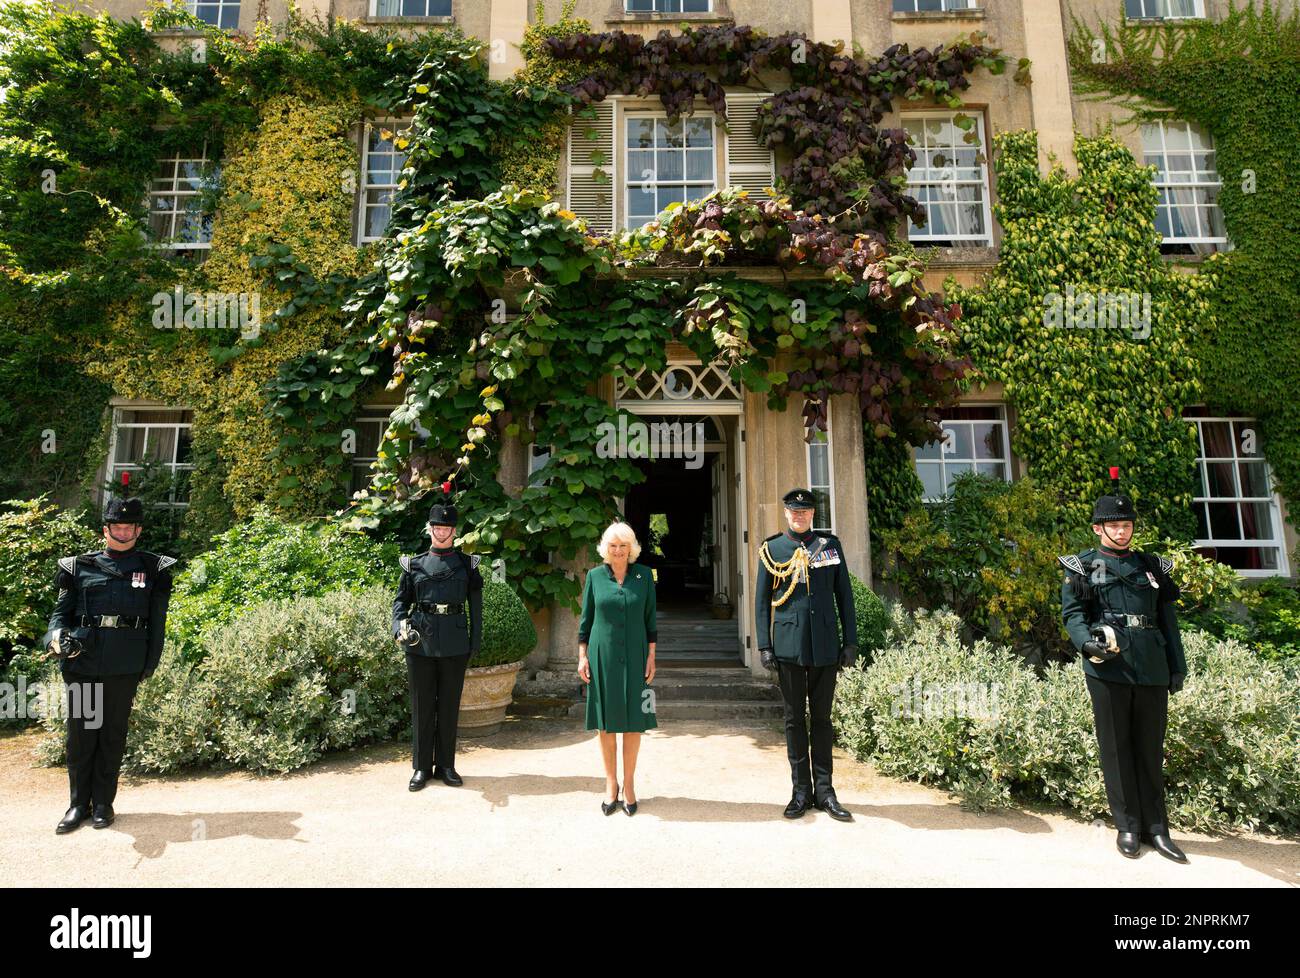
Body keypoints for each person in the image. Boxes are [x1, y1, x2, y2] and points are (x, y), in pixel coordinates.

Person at [1059, 468, 1188, 863]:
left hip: (1150, 664)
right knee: (1116, 747)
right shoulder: (1087, 566)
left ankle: (1158, 829)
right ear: (1098, 529)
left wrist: (1176, 667)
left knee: (1150, 748)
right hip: (1108, 666)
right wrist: (1087, 644)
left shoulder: (1152, 566)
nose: (1121, 531)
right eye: (1113, 525)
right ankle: (1128, 826)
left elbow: (1168, 621)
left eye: (1126, 524)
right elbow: (1074, 615)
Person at [42, 496, 175, 834]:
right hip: (82, 662)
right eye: (117, 526)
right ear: (106, 528)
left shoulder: (154, 568)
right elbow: (60, 615)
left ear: (138, 529)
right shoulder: (77, 567)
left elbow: (158, 621)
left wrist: (150, 662)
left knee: (112, 734)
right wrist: (56, 638)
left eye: (129, 527)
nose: (123, 532)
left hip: (124, 663)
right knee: (82, 735)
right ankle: (77, 805)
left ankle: (103, 804)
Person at [755, 488, 857, 821]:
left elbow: (845, 597)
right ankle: (800, 792)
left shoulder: (830, 546)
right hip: (789, 648)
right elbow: (760, 601)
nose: (799, 516)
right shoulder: (773, 549)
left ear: (813, 514)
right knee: (794, 721)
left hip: (825, 646)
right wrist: (764, 646)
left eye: (805, 511)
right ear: (786, 514)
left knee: (823, 721)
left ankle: (825, 793)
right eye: (794, 512)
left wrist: (850, 642)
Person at [392, 487, 483, 791]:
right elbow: (400, 603)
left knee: (448, 705)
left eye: (446, 528)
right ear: (430, 529)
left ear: (454, 531)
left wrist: (474, 642)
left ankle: (446, 765)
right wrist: (398, 627)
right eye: (437, 527)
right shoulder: (413, 565)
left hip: (455, 644)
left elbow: (476, 608)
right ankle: (421, 768)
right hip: (419, 643)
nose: (442, 532)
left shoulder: (468, 565)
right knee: (421, 705)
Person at [577, 522, 657, 816]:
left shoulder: (644, 576)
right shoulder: (595, 577)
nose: (619, 551)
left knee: (635, 720)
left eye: (624, 545)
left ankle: (630, 784)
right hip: (602, 656)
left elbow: (651, 620)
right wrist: (582, 656)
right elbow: (585, 621)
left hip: (637, 656)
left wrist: (652, 656)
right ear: (605, 549)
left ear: (631, 548)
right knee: (606, 722)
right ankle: (611, 784)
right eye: (613, 546)